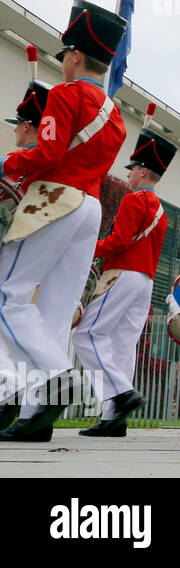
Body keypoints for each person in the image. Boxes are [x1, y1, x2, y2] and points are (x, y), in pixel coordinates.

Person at [0, 0, 127, 442]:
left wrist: (7, 165)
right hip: (89, 209)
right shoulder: (115, 113)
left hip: (55, 199)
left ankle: (54, 378)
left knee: (8, 296)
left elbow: (49, 152)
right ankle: (36, 417)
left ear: (74, 56)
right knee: (53, 313)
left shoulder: (66, 94)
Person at [73, 124, 175, 437]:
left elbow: (119, 240)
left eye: (133, 170)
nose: (128, 175)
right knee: (122, 346)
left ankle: (121, 392)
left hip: (122, 273)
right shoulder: (160, 209)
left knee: (87, 335)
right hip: (145, 281)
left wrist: (88, 248)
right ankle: (114, 419)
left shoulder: (134, 201)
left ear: (143, 172)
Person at [0, 70, 51, 432]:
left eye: (19, 124)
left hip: (15, 246)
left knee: (8, 314)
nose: (14, 130)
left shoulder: (21, 164)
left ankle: (12, 392)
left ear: (29, 127)